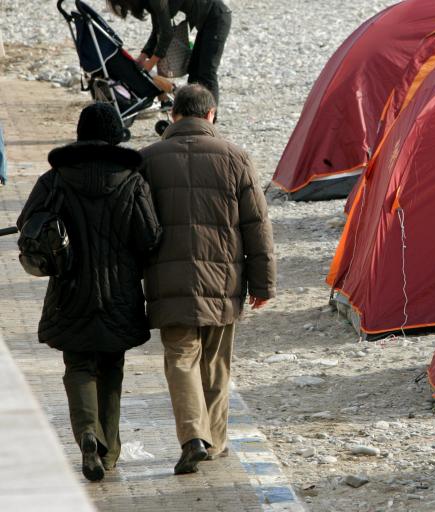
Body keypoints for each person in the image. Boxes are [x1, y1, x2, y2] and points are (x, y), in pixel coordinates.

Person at [16, 103, 162, 481]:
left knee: (78, 364)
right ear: (116, 136)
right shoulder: (132, 180)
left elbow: (27, 224)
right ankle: (108, 450)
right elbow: (149, 237)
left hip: (70, 289)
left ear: (80, 134)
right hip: (120, 291)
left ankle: (86, 434)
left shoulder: (55, 179)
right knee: (111, 366)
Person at [139, 84, 275, 475]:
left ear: (175, 114)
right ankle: (214, 442)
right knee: (215, 364)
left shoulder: (147, 159)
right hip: (224, 280)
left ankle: (192, 437)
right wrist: (263, 284)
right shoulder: (235, 157)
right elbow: (256, 225)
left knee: (181, 359)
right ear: (211, 114)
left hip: (169, 280)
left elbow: (137, 225)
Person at [107, 0, 232, 108]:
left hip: (217, 18)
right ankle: (194, 112)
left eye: (126, 6)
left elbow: (166, 33)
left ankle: (209, 117)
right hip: (206, 22)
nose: (129, 9)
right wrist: (143, 56)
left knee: (207, 72)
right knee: (194, 70)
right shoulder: (149, 3)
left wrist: (150, 64)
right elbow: (157, 30)